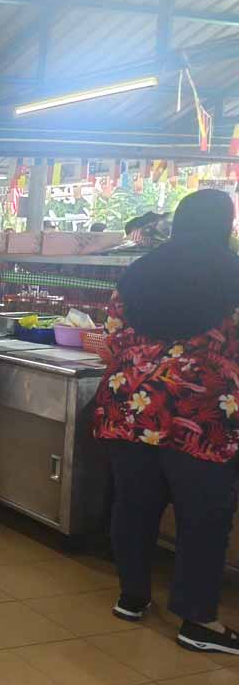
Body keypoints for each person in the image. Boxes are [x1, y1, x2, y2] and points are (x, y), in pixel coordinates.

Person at [93, 189, 239, 655]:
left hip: (130, 407)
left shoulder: (139, 271)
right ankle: (197, 621)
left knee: (134, 503)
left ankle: (132, 597)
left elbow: (111, 338)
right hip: (201, 415)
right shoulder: (232, 273)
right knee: (203, 516)